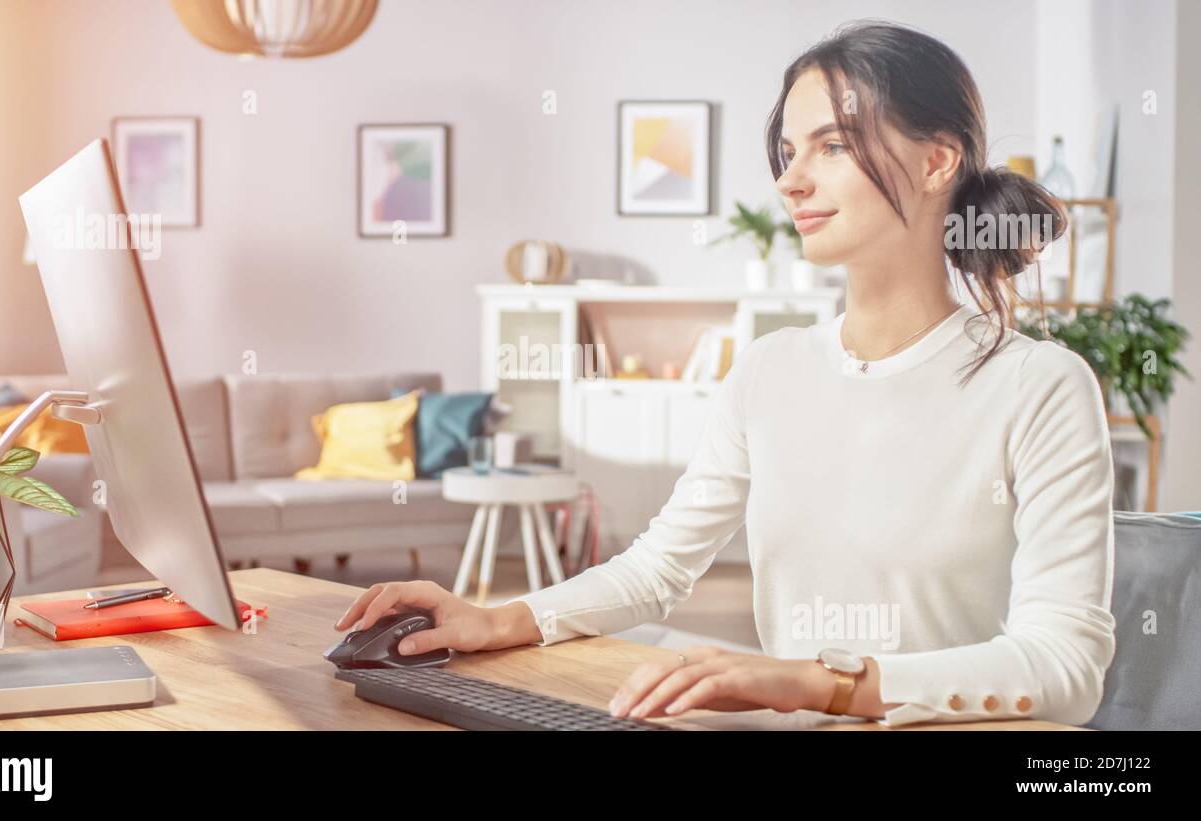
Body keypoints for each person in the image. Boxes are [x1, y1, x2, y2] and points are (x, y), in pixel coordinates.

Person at [335, 19, 1115, 728]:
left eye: (833, 146)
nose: (791, 181)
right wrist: (493, 619)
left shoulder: (1041, 386)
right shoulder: (772, 370)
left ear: (938, 159)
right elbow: (658, 567)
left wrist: (820, 681)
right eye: (790, 151)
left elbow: (1064, 666)